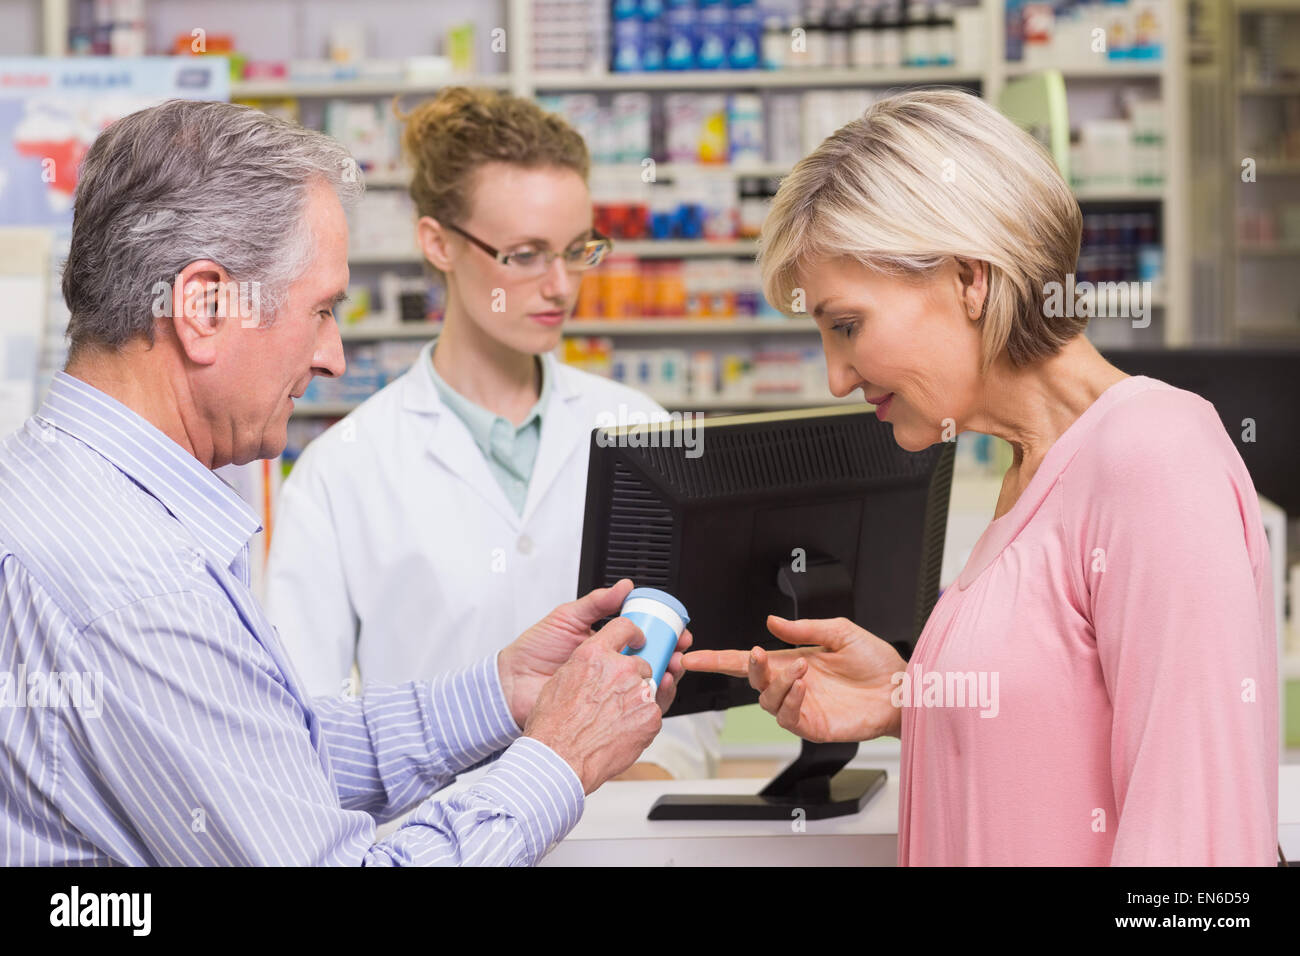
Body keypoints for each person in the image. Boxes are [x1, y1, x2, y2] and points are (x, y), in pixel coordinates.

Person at [0, 98, 688, 866]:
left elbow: (271, 760)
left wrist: (502, 695)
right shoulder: (138, 583)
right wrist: (560, 757)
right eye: (321, 309)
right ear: (201, 306)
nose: (332, 355)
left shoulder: (69, 489)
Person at [684, 88, 1279, 866]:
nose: (836, 375)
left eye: (847, 326)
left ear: (969, 277)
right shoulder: (1028, 470)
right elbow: (1057, 731)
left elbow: (1201, 865)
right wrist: (909, 696)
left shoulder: (1152, 456)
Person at [265, 87, 724, 781]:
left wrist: (662, 772)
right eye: (526, 255)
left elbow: (691, 665)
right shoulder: (341, 471)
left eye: (577, 250)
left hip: (621, 836)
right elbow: (299, 721)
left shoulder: (641, 430)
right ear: (438, 243)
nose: (561, 285)